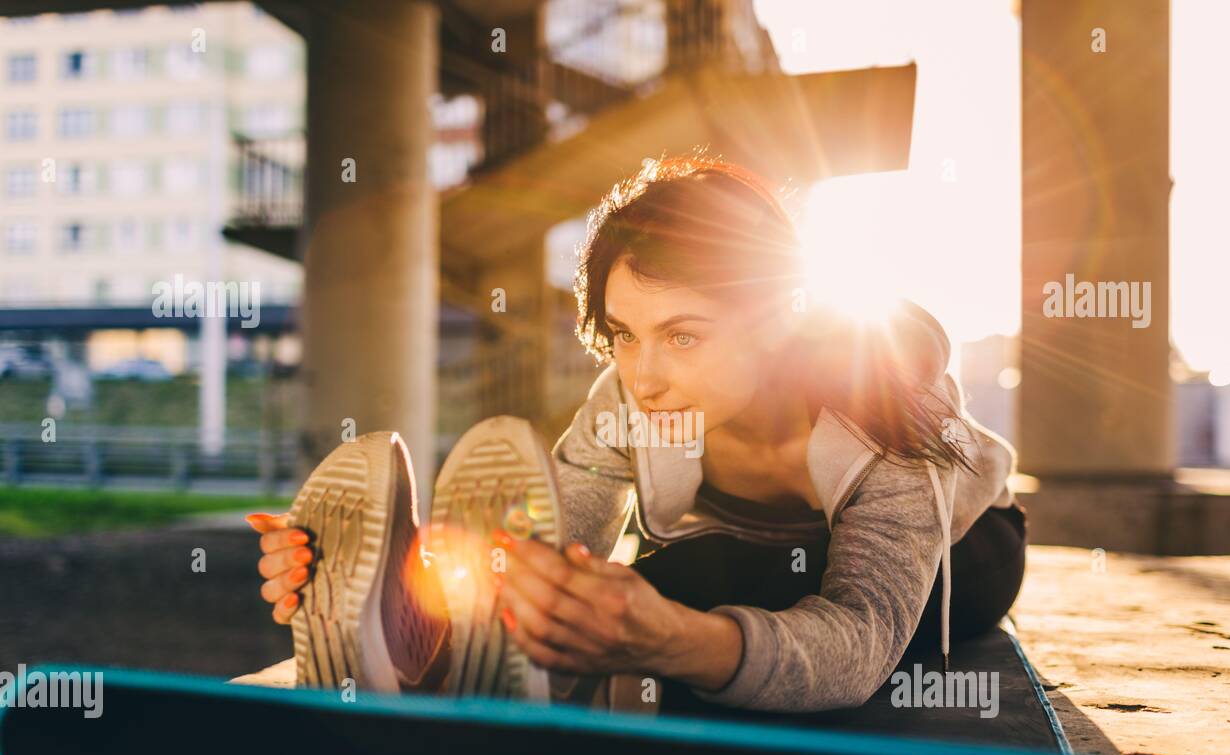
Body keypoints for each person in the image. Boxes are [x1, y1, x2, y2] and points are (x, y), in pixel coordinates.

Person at [249, 154, 1025, 722]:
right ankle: (418, 654)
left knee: (692, 577)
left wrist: (673, 643)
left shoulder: (892, 413)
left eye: (684, 337)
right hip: (745, 561)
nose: (643, 375)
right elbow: (555, 541)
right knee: (665, 577)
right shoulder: (628, 395)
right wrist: (399, 585)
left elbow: (859, 641)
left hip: (964, 553)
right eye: (623, 334)